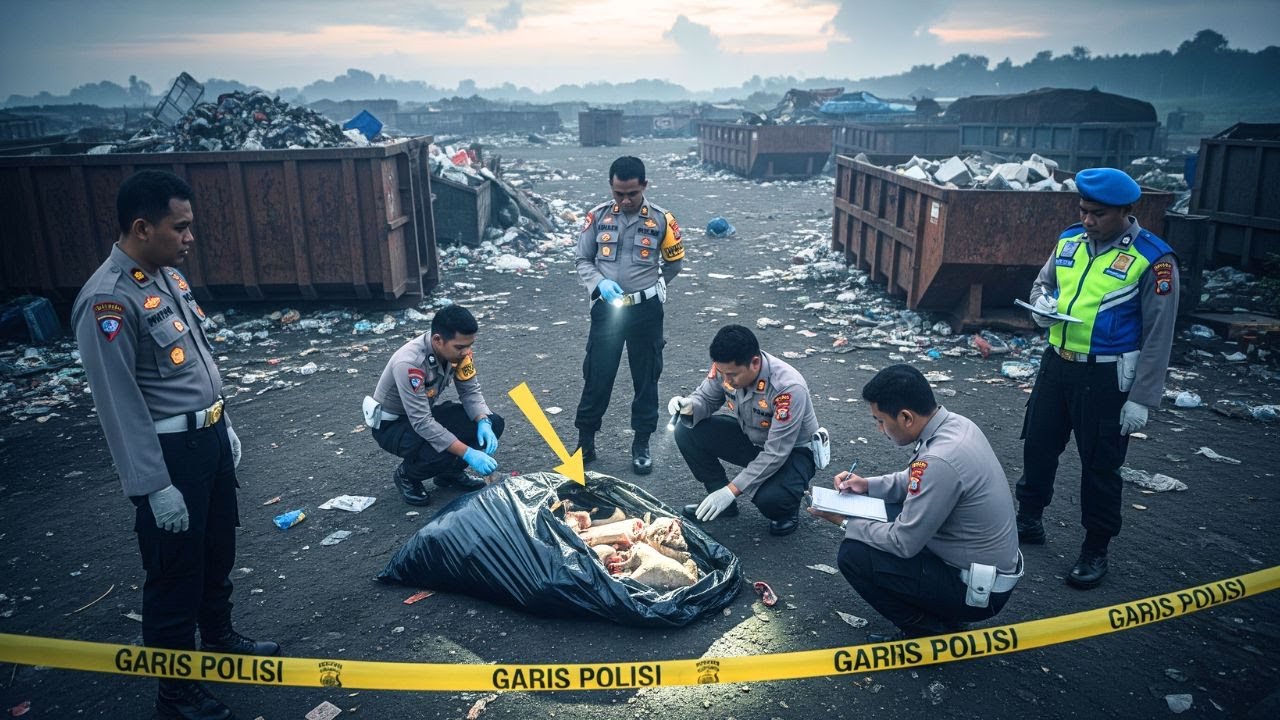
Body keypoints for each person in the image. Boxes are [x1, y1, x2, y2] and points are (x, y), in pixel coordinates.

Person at [72, 170, 277, 720]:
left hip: (207, 440)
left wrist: (221, 422)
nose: (190, 237)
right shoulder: (109, 300)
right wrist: (153, 486)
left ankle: (220, 641)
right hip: (170, 459)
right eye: (180, 227)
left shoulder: (166, 278)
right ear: (142, 227)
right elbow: (120, 405)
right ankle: (176, 692)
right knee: (174, 576)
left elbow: (195, 365)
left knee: (216, 553)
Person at [1016, 168, 1178, 589]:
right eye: (1083, 210)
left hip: (1106, 376)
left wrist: (1142, 397)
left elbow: (1159, 334)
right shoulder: (1070, 240)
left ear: (1126, 211)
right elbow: (1042, 284)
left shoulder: (1153, 259)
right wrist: (1041, 307)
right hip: (1057, 365)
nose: (1088, 220)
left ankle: (1095, 548)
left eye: (1098, 214)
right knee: (1037, 446)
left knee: (1101, 466)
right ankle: (1028, 519)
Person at [808, 364, 1021, 641]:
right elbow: (914, 481)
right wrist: (867, 485)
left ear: (906, 417)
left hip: (976, 592)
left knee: (854, 555)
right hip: (980, 568)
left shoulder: (940, 460)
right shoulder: (955, 425)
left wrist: (845, 521)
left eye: (881, 421)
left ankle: (927, 630)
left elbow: (903, 542)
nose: (879, 429)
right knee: (885, 511)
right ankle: (938, 615)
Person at [574, 156, 684, 475]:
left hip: (646, 310)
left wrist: (655, 287)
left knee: (646, 377)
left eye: (632, 193)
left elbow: (674, 262)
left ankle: (641, 444)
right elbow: (583, 259)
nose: (624, 200)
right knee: (597, 374)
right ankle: (585, 442)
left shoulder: (662, 220)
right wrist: (600, 283)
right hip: (607, 308)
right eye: (618, 193)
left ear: (644, 186)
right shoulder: (597, 216)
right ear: (611, 186)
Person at [668, 325, 818, 536]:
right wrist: (688, 406)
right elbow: (706, 398)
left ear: (754, 363)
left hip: (793, 452)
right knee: (686, 430)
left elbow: (777, 452)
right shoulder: (726, 370)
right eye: (722, 374)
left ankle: (787, 510)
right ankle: (719, 502)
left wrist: (731, 490)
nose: (726, 381)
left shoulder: (787, 388)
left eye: (732, 375)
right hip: (752, 438)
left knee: (772, 499)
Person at [366, 304, 503, 506]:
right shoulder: (410, 363)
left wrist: (483, 421)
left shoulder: (459, 352)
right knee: (442, 450)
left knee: (494, 422)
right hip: (393, 427)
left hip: (423, 415)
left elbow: (470, 391)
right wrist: (468, 453)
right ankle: (407, 475)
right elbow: (421, 422)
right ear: (438, 340)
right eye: (460, 347)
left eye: (469, 345)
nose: (466, 352)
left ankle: (449, 474)